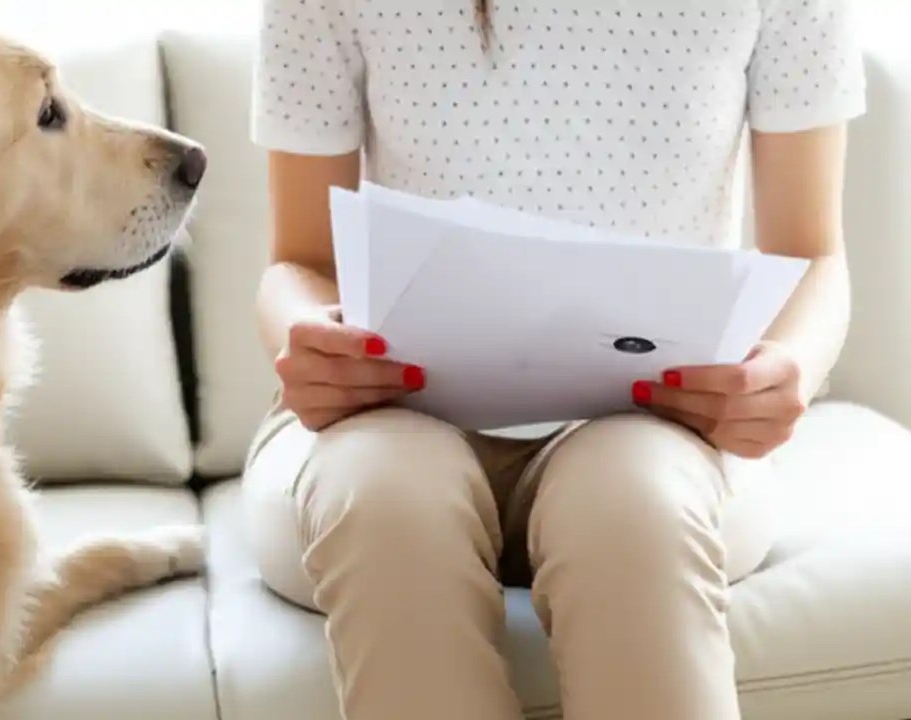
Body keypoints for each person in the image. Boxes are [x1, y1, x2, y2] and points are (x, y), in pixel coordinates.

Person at [243, 1, 866, 718]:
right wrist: (306, 339)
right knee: (385, 500)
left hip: (657, 432)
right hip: (387, 421)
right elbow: (300, 262)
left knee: (634, 504)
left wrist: (787, 366)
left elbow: (813, 255)